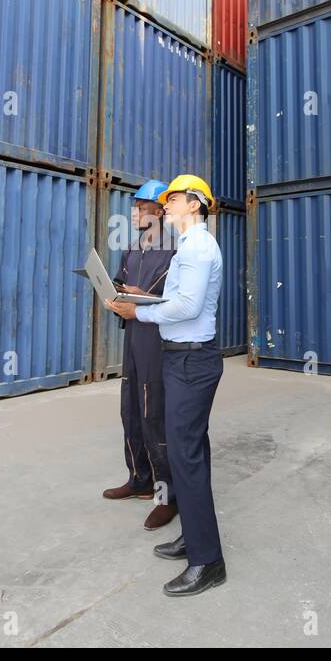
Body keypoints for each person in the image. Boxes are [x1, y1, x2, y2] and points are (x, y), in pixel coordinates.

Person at [104, 174, 226, 597]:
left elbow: (188, 307)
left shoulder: (196, 246)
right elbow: (176, 300)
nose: (166, 205)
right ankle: (194, 537)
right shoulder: (189, 246)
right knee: (191, 453)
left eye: (173, 199)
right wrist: (138, 298)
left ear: (195, 205)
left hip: (191, 359)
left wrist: (140, 314)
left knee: (186, 456)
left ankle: (207, 560)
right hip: (184, 357)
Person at [101, 179, 178, 531]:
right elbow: (120, 281)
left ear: (160, 211)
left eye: (141, 207)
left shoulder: (176, 249)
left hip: (158, 339)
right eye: (134, 206)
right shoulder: (133, 248)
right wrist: (113, 294)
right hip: (133, 334)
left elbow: (177, 302)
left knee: (153, 413)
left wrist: (140, 294)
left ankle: (168, 495)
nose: (134, 213)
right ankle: (140, 479)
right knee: (130, 407)